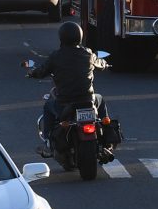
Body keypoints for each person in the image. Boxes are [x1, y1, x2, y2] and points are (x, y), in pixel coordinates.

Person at [28, 22, 110, 157]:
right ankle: (106, 136)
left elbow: (42, 71)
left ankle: (48, 142)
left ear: (62, 37)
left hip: (65, 103)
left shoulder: (56, 56)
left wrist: (32, 73)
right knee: (100, 98)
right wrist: (105, 64)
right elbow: (100, 64)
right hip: (87, 100)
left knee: (48, 106)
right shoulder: (88, 53)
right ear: (80, 36)